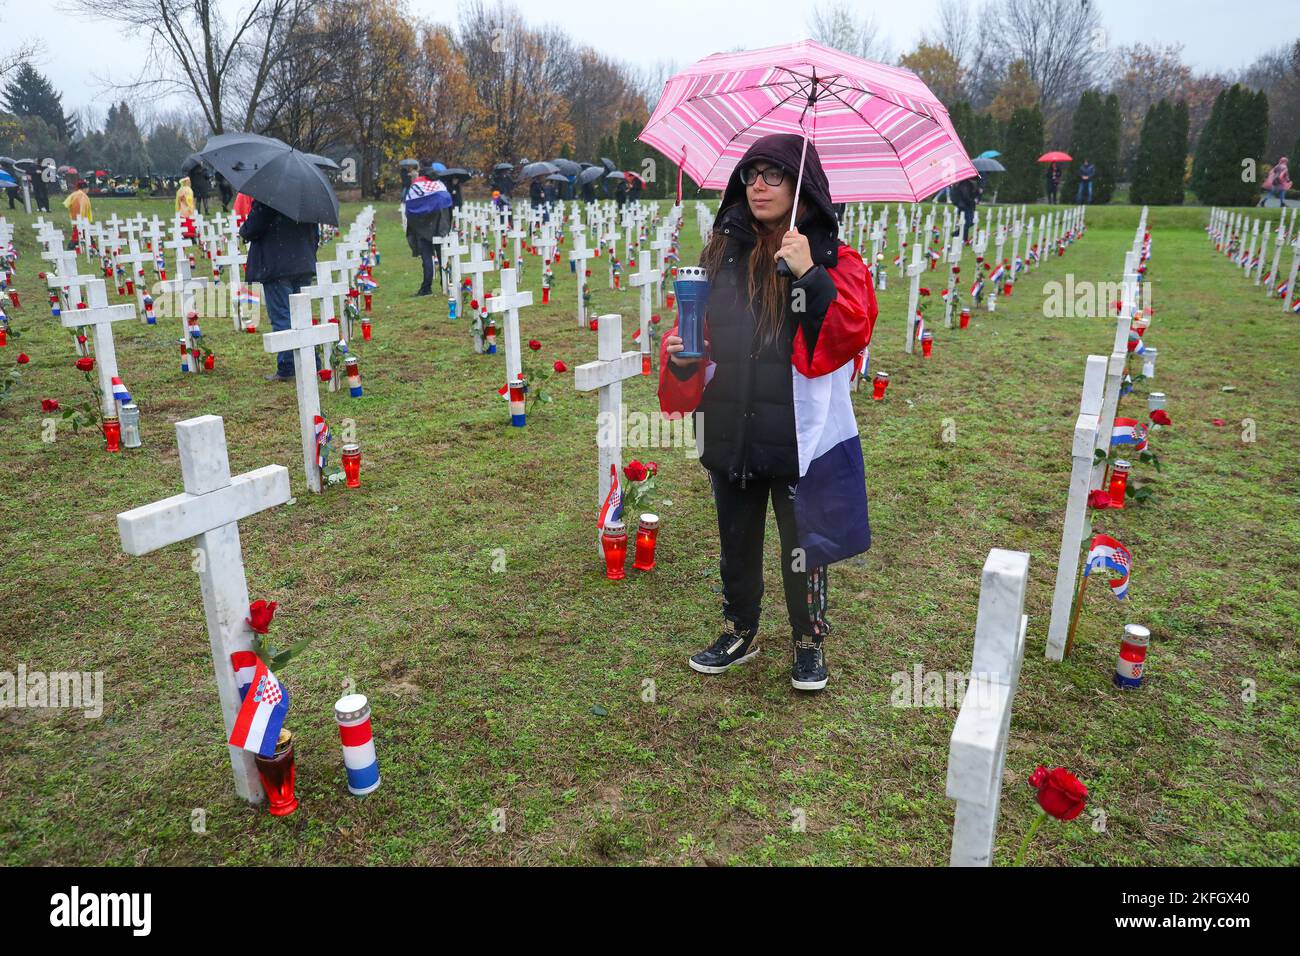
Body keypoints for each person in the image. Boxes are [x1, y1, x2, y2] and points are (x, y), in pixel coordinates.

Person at [657, 133, 877, 693]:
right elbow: (701, 336)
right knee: (737, 534)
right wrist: (682, 356)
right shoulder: (721, 254)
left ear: (803, 187)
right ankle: (739, 627)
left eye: (773, 174)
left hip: (796, 425)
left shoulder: (833, 260)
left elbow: (846, 335)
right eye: (751, 173)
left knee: (802, 539)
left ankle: (808, 640)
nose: (758, 184)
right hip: (731, 416)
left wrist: (808, 275)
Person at [240, 200, 320, 381]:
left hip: (277, 266)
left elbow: (253, 227)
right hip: (302, 262)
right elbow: (315, 234)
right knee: (303, 317)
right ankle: (312, 362)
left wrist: (243, 230)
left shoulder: (268, 196)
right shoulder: (304, 198)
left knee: (283, 316)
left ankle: (288, 366)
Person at [403, 166, 453, 297]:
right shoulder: (440, 185)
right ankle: (446, 284)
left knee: (426, 257)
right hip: (439, 224)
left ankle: (426, 287)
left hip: (422, 226)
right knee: (442, 256)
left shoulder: (416, 186)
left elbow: (409, 207)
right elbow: (448, 204)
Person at [63, 179, 93, 247]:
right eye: (87, 188)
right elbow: (82, 208)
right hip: (81, 220)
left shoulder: (74, 194)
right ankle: (70, 248)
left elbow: (66, 204)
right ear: (84, 188)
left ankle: (93, 247)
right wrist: (82, 219)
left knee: (84, 235)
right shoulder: (83, 196)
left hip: (75, 219)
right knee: (77, 237)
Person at [951, 175, 979, 241]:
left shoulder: (971, 184)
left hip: (969, 205)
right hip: (964, 206)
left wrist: (977, 191)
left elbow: (973, 194)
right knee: (967, 222)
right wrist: (973, 201)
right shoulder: (964, 184)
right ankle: (963, 238)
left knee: (971, 222)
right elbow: (965, 196)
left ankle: (958, 234)